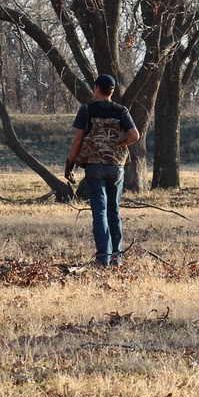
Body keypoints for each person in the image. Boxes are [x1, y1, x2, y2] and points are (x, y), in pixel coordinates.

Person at [64, 73, 140, 266]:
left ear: (96, 88)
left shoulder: (87, 110)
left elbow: (78, 140)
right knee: (114, 211)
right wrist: (121, 142)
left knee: (100, 211)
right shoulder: (121, 111)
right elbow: (135, 135)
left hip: (94, 166)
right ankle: (117, 258)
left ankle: (103, 258)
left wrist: (70, 163)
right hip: (116, 167)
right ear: (112, 91)